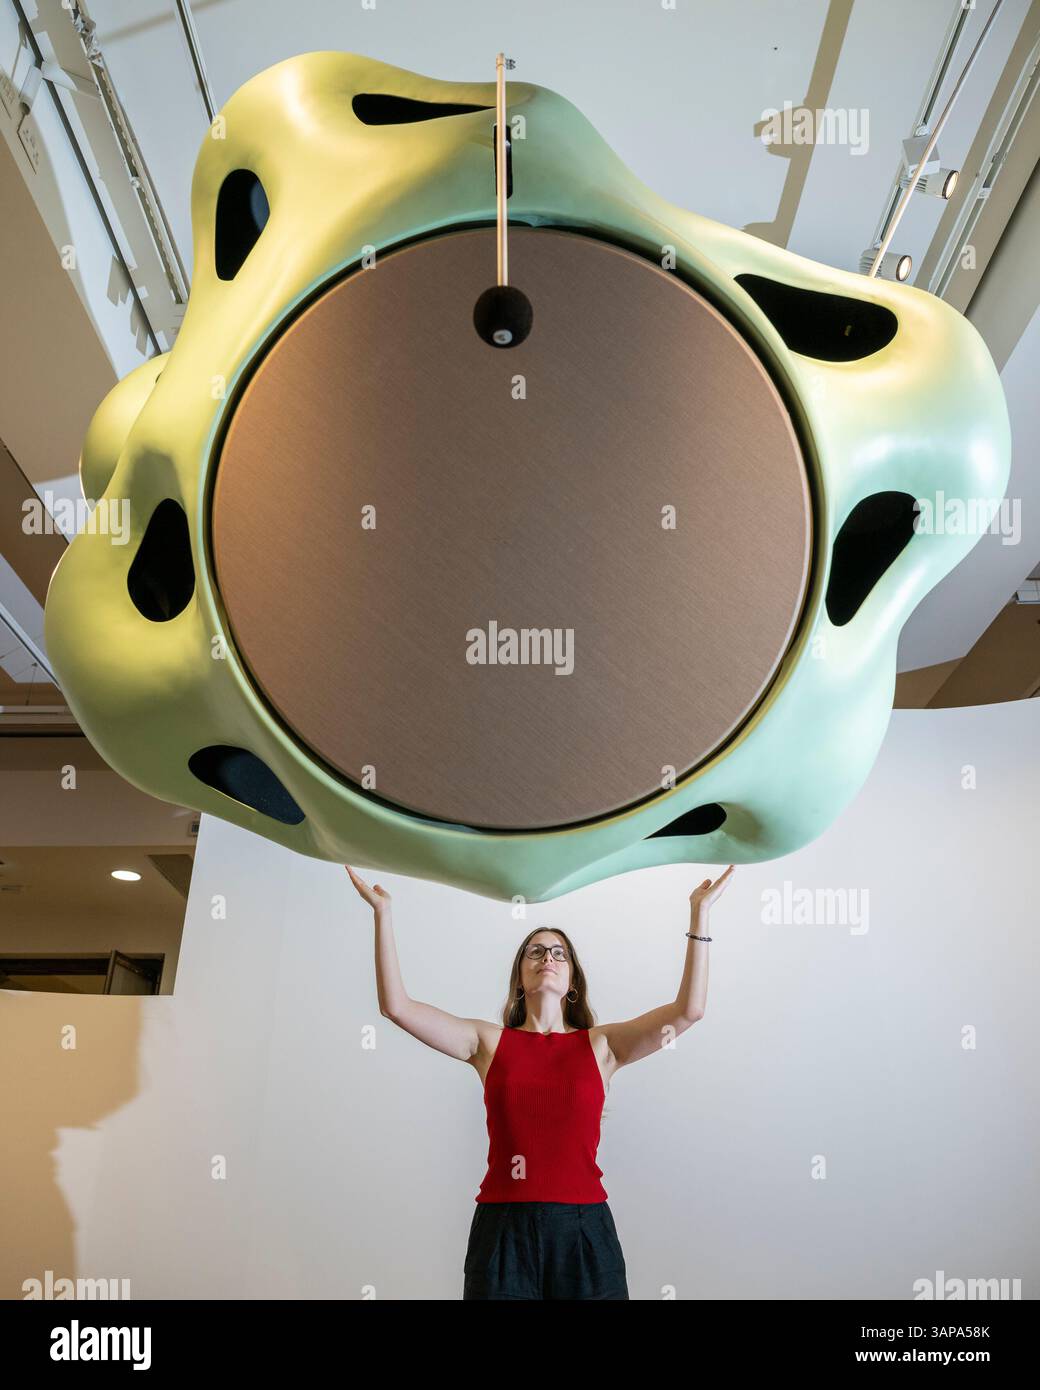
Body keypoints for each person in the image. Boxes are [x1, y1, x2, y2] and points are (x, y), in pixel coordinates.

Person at [345, 863, 734, 1300]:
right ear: (520, 979)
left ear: (571, 982)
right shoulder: (488, 1042)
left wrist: (700, 913)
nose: (547, 957)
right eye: (536, 951)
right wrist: (382, 912)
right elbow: (396, 1006)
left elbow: (689, 1011)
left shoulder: (603, 1045)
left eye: (559, 953)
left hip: (585, 1232)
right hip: (504, 1231)